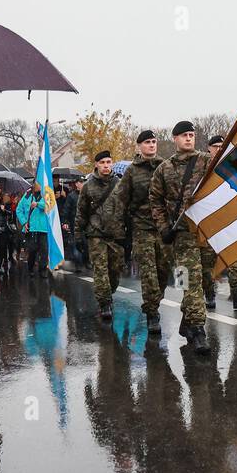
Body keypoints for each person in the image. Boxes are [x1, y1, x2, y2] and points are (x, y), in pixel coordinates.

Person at [149, 120, 211, 354]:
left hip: (205, 232)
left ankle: (187, 320)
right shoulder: (164, 169)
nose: (188, 138)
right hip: (181, 236)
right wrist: (163, 226)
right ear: (174, 139)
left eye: (191, 135)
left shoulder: (206, 162)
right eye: (183, 135)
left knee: (205, 279)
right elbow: (155, 199)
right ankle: (198, 329)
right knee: (189, 279)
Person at [105, 130, 167, 335]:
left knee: (163, 271)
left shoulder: (165, 167)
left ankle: (154, 302)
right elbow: (119, 200)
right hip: (142, 229)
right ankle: (152, 314)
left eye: (154, 142)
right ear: (139, 146)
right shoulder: (132, 171)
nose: (151, 145)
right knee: (149, 273)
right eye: (147, 142)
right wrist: (117, 230)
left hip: (164, 228)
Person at [200, 135, 237, 311]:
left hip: (228, 221)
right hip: (207, 224)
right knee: (208, 263)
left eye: (223, 146)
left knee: (234, 257)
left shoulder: (231, 168)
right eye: (216, 146)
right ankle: (209, 293)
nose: (220, 149)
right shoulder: (202, 169)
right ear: (209, 149)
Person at [75, 150, 124, 321]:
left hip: (115, 235)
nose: (105, 165)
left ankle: (108, 294)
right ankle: (104, 304)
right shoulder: (88, 186)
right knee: (101, 270)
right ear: (96, 165)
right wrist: (78, 235)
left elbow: (126, 209)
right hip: (95, 235)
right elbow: (81, 212)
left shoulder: (120, 184)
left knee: (115, 271)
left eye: (108, 162)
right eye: (102, 162)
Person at [16, 181, 52, 278]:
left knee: (44, 251)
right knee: (32, 250)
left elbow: (49, 206)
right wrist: (24, 222)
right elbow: (19, 210)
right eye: (37, 183)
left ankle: (43, 270)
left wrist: (38, 204)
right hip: (31, 228)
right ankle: (30, 268)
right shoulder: (27, 195)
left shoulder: (45, 194)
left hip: (43, 228)